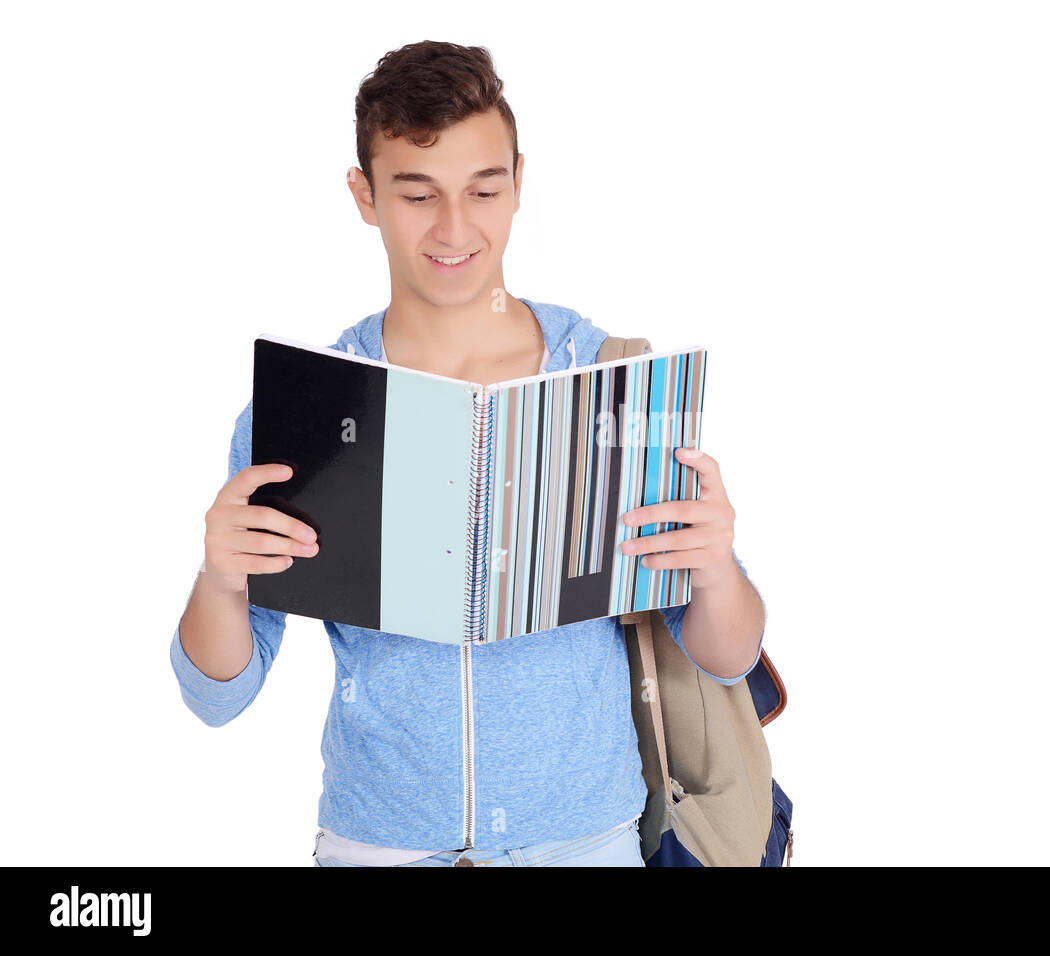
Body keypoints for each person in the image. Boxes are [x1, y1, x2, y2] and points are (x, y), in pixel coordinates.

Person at [170, 40, 766, 867]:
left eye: (484, 190)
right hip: (377, 846)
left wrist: (716, 564)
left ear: (520, 182)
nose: (455, 229)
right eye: (417, 194)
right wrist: (220, 578)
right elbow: (216, 695)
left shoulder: (608, 380)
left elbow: (728, 656)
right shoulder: (304, 409)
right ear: (365, 195)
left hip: (584, 843)